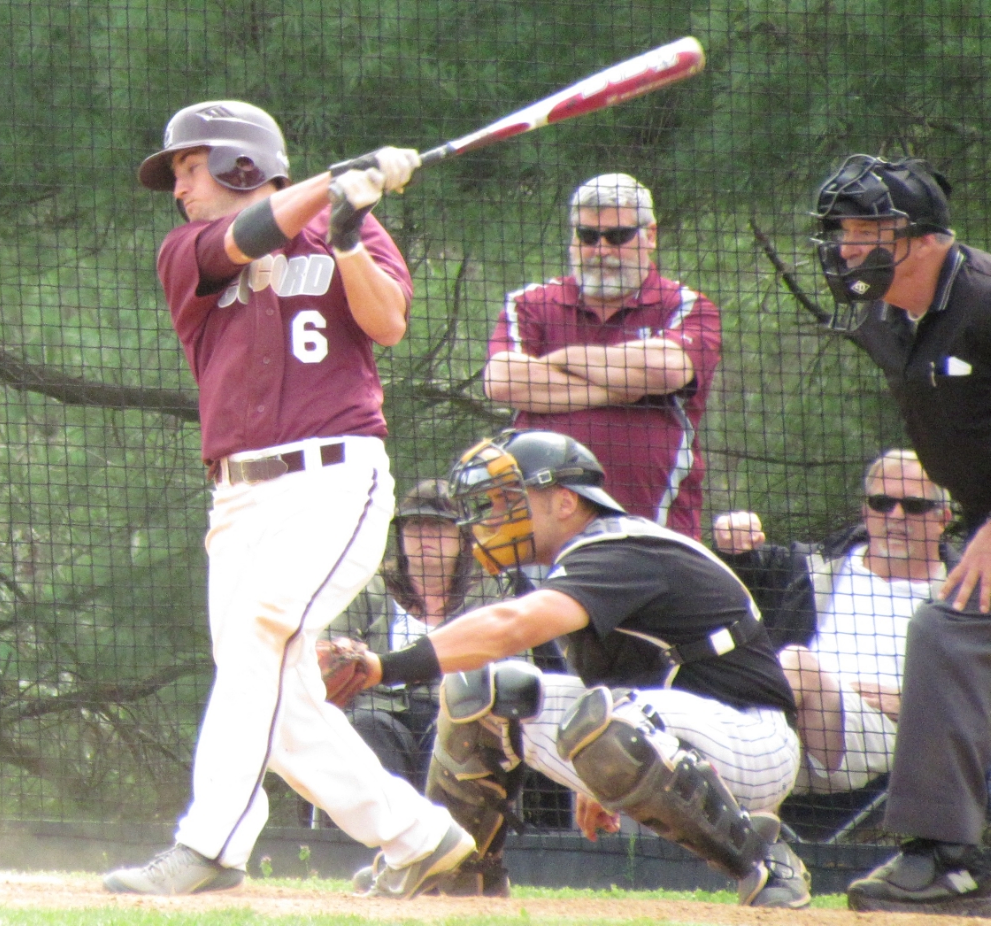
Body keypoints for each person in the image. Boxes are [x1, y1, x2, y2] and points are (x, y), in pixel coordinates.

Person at [101, 100, 474, 898]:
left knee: (264, 630)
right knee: (278, 697)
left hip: (335, 479)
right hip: (236, 500)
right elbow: (246, 237)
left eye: (189, 168)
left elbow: (389, 322)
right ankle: (419, 834)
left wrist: (345, 236)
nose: (179, 189)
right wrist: (336, 181)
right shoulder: (186, 251)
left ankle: (211, 846)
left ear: (239, 163)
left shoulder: (352, 227)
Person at [348, 429, 811, 906]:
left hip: (753, 743)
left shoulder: (620, 547)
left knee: (602, 717)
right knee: (482, 690)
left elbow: (512, 626)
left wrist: (384, 667)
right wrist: (597, 773)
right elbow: (631, 676)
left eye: (509, 499)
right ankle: (460, 866)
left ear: (564, 502)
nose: (492, 517)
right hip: (679, 725)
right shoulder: (585, 557)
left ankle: (764, 857)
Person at [810, 154, 991, 915]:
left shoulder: (983, 302)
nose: (846, 249)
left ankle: (945, 860)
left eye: (864, 232)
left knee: (945, 633)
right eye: (841, 232)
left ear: (924, 241)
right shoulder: (887, 318)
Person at [483, 174, 721, 539]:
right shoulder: (529, 303)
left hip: (657, 536)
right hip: (546, 540)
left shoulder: (687, 306)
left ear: (650, 236)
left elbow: (666, 370)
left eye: (618, 236)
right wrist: (623, 388)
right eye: (588, 236)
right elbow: (503, 381)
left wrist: (563, 357)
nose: (601, 250)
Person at [712, 450, 952, 797]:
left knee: (797, 664)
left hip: (884, 736)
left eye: (914, 506)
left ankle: (725, 757)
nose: (895, 516)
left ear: (942, 518)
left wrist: (918, 703)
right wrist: (732, 546)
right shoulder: (811, 565)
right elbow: (736, 580)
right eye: (882, 502)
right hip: (786, 728)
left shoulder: (965, 598)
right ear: (865, 509)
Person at [325, 478, 507, 790]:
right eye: (413, 526)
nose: (424, 537)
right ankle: (385, 833)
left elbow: (514, 666)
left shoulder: (491, 590)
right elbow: (330, 651)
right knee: (365, 726)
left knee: (460, 734)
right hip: (378, 710)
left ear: (464, 537)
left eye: (437, 527)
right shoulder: (369, 584)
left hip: (458, 711)